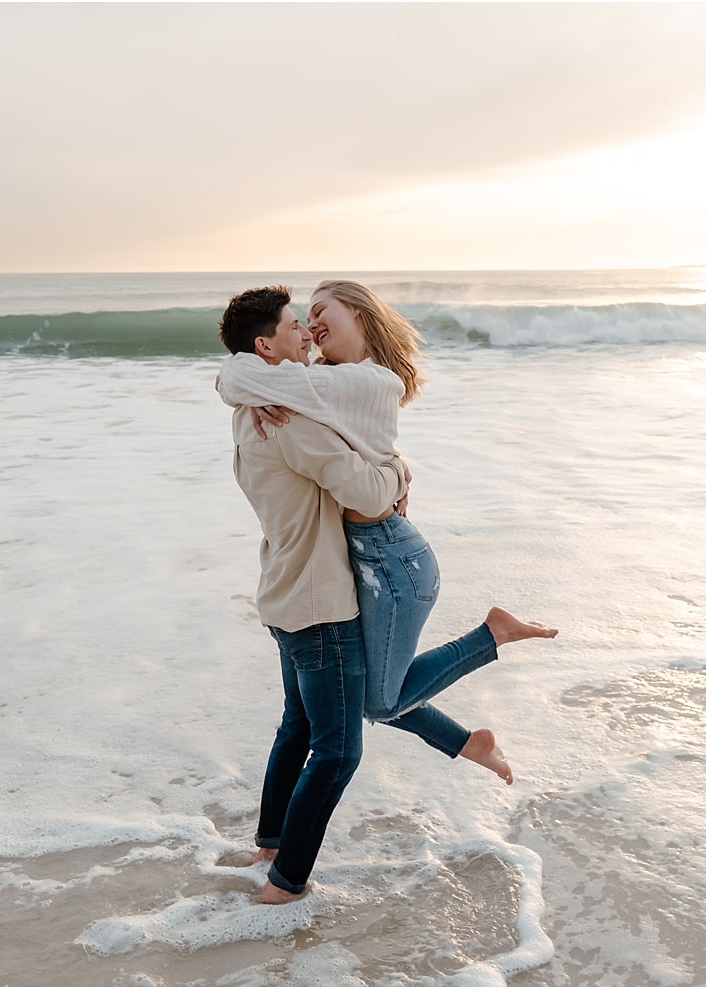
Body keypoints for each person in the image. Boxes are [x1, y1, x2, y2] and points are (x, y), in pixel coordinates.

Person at [218, 279, 557, 786]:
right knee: (369, 696)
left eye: (320, 311)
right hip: (364, 553)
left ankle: (492, 636)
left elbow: (241, 377)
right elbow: (237, 377)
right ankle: (471, 741)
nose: (310, 326)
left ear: (357, 310)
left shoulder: (364, 381)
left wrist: (258, 387)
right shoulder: (325, 379)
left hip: (392, 557)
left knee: (377, 701)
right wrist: (254, 388)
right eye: (303, 319)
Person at [218, 285, 410, 905]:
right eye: (293, 326)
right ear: (265, 346)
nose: (306, 334)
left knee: (297, 727)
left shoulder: (253, 414)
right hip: (321, 603)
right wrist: (402, 471)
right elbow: (371, 495)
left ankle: (270, 844)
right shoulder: (293, 425)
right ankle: (285, 883)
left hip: (284, 590)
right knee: (338, 750)